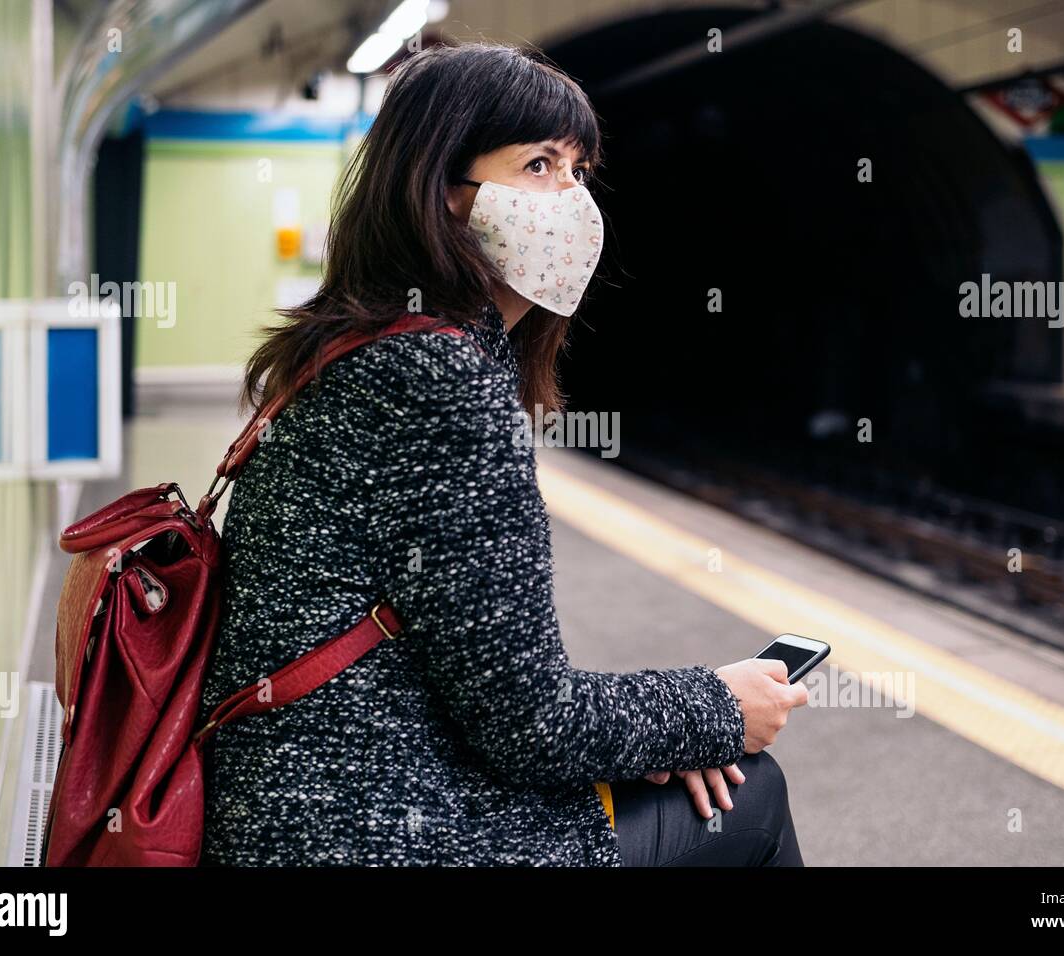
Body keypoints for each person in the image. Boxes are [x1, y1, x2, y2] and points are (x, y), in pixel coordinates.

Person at [198, 41, 810, 867]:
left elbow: (496, 692)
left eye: (579, 169)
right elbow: (534, 727)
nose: (571, 198)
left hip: (294, 805)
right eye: (538, 164)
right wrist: (718, 706)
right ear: (446, 192)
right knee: (753, 792)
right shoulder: (440, 383)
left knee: (690, 779)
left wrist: (650, 737)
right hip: (369, 832)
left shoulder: (360, 349)